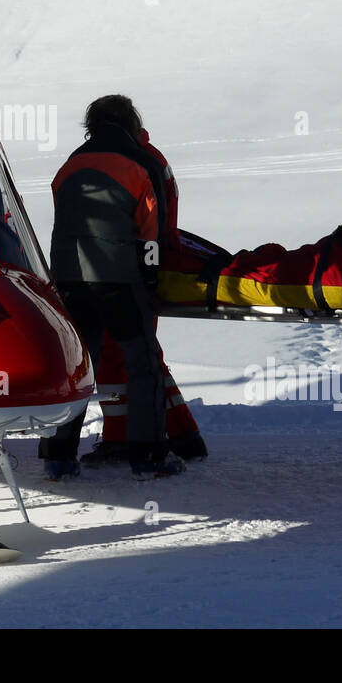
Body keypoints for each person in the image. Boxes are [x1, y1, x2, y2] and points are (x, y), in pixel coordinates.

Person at [41, 95, 183, 479]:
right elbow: (152, 229)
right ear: (131, 122)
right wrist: (151, 278)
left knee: (77, 368)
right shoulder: (142, 161)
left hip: (69, 276)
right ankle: (148, 456)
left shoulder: (72, 163)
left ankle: (58, 456)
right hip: (119, 278)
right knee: (142, 363)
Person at [81, 126, 208, 465]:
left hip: (126, 273)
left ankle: (124, 439)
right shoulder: (149, 156)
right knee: (144, 357)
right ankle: (182, 434)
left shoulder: (127, 160)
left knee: (118, 355)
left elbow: (141, 221)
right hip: (144, 269)